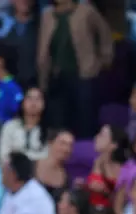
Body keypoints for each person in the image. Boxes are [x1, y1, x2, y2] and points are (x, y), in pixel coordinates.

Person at [37, 0, 113, 139]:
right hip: (56, 78)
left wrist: (103, 60)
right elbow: (43, 48)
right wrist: (43, 79)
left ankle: (84, 149)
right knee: (58, 123)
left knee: (84, 122)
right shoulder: (46, 15)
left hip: (84, 76)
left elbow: (104, 33)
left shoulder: (86, 11)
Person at [85, 124, 127, 214]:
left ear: (113, 145)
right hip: (91, 213)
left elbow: (120, 198)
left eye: (102, 135)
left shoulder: (123, 169)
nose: (96, 137)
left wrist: (105, 191)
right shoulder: (95, 162)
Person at [0, 86, 47, 163]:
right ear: (23, 102)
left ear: (44, 104)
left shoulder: (49, 130)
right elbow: (3, 156)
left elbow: (49, 157)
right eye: (29, 98)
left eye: (38, 99)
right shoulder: (10, 126)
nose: (33, 102)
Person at [34, 128, 74, 202]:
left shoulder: (67, 179)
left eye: (70, 145)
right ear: (50, 143)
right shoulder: (31, 165)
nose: (66, 149)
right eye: (62, 143)